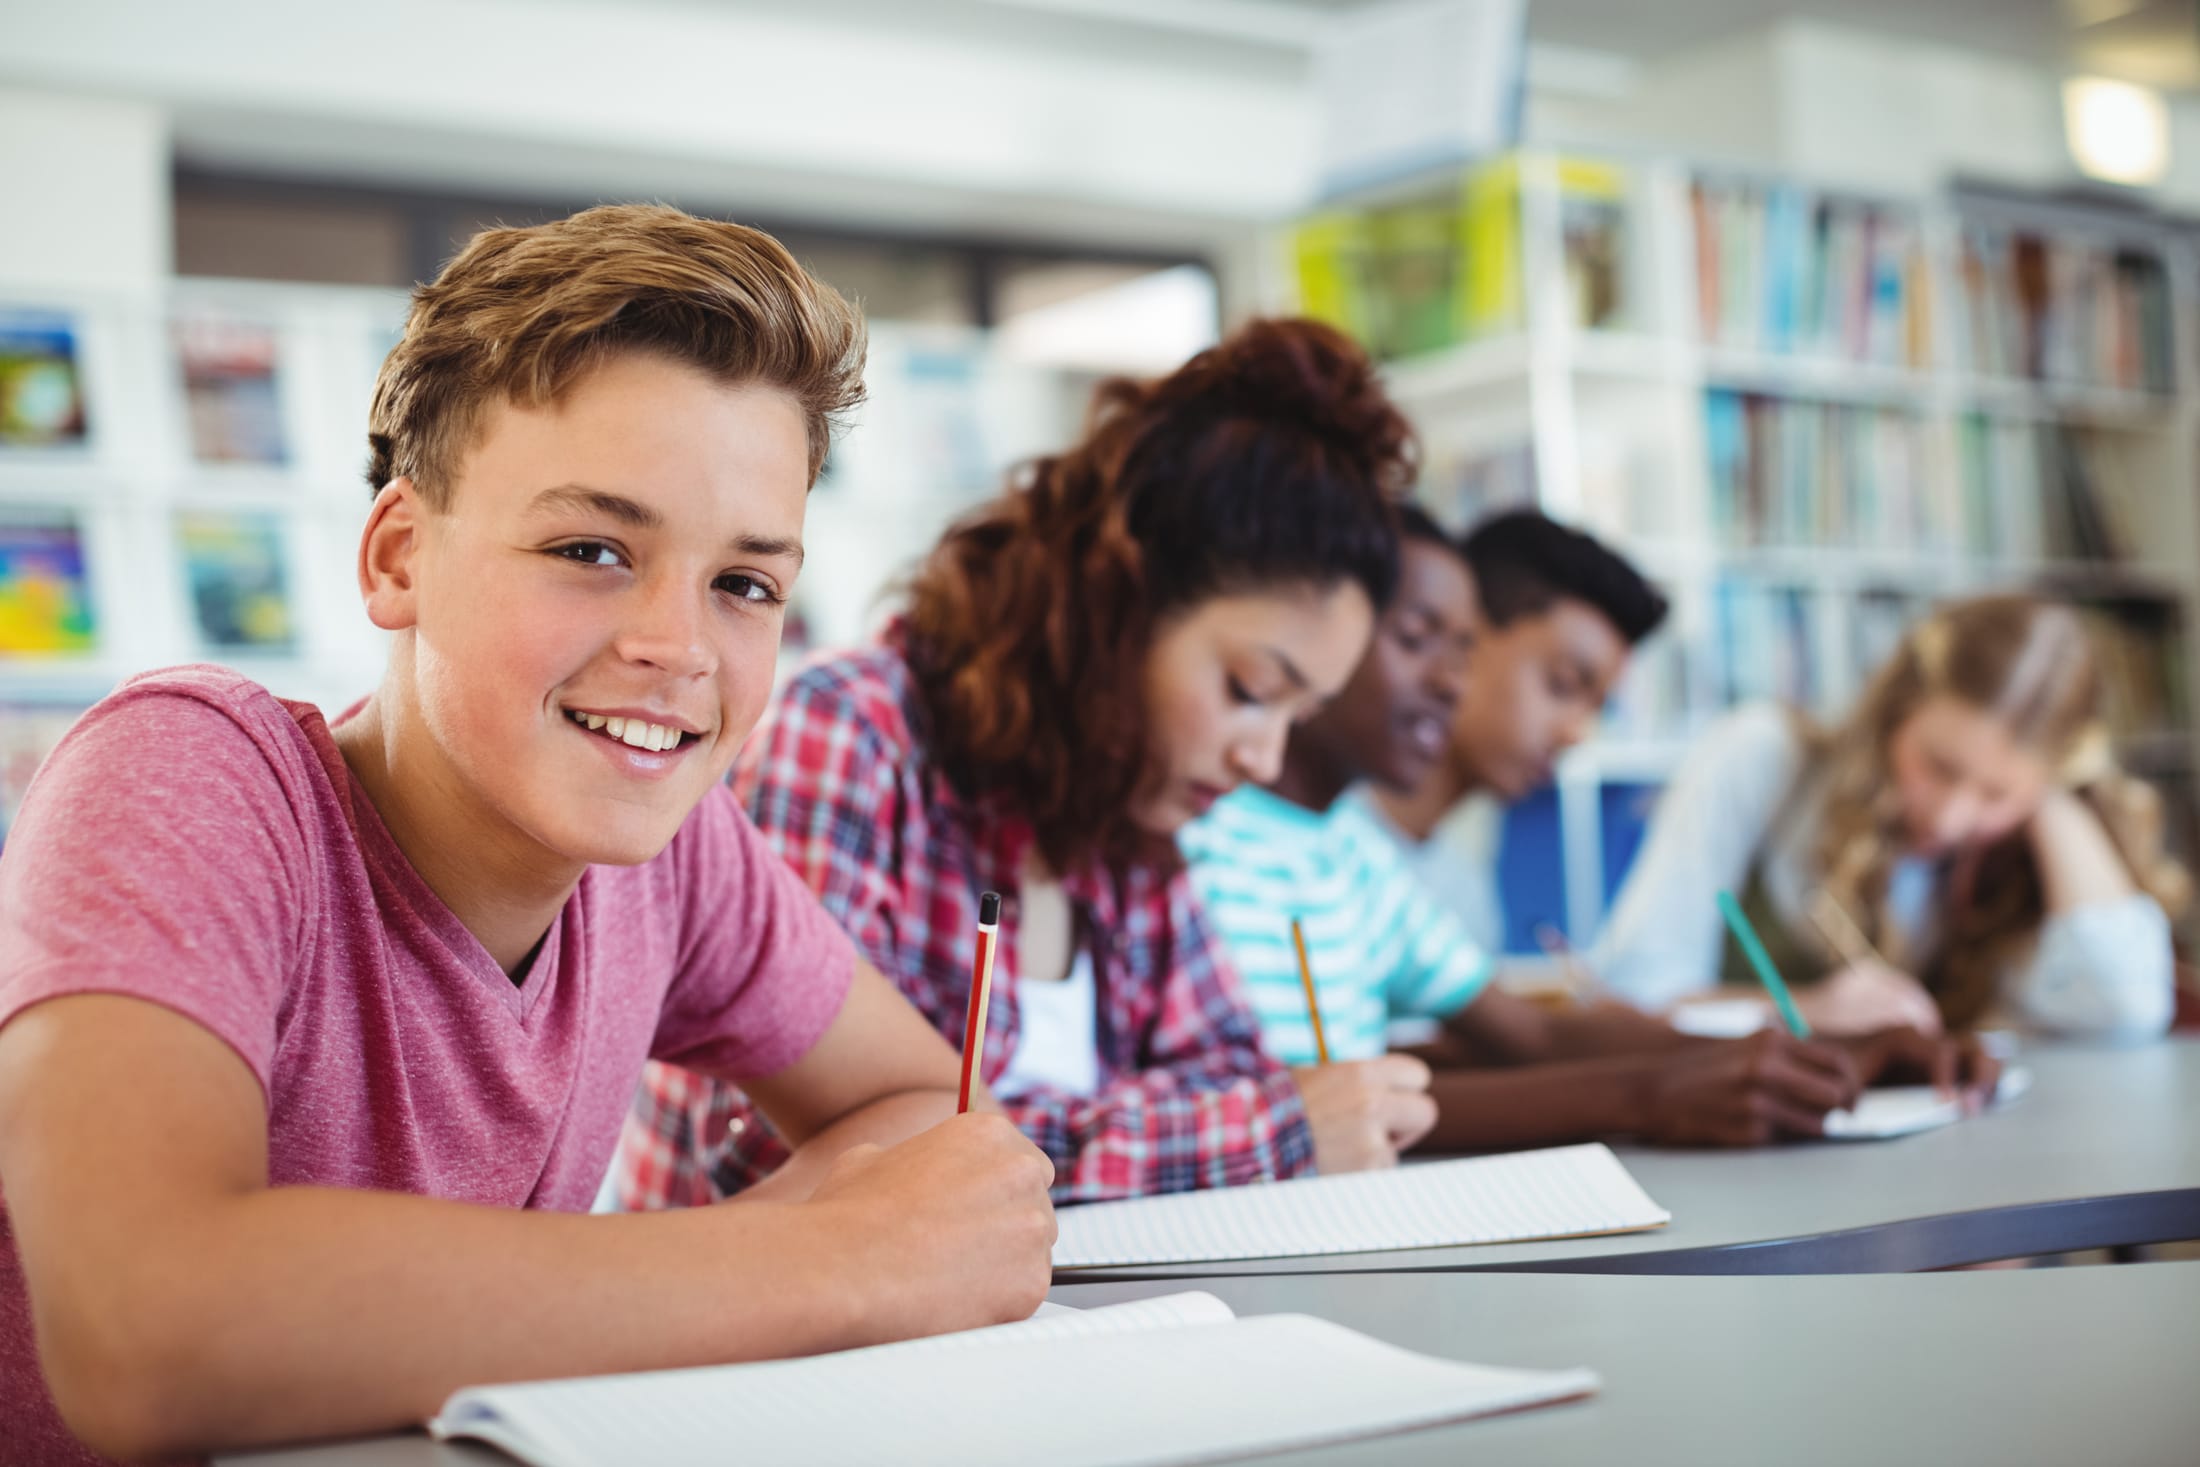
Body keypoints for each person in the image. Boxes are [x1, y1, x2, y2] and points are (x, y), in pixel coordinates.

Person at [0, 205, 1058, 1464]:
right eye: (592, 548)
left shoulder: (674, 857)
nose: (678, 647)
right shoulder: (190, 775)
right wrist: (834, 1258)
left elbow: (919, 1104)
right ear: (399, 557)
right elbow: (144, 1333)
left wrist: (846, 1247)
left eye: (745, 584)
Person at [617, 317, 1441, 1208]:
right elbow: (774, 1148)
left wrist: (1224, 1121)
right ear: (1119, 600)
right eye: (1250, 688)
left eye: (1297, 715)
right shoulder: (853, 730)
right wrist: (1257, 1135)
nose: (1264, 756)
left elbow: (1230, 1074)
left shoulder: (1127, 815)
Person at [1183, 512, 1999, 1154]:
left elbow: (1533, 1033)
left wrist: (1832, 1056)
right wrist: (1649, 1094)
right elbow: (1302, 1106)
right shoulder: (1198, 840)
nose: (1450, 681)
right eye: (1415, 638)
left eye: (1461, 650)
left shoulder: (1350, 856)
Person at [1592, 593, 2188, 1038]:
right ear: (1897, 710)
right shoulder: (1764, 760)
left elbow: (2129, 1009)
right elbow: (1627, 1002)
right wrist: (1806, 1010)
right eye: (1939, 767)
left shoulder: (2010, 860)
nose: (1952, 818)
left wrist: (2053, 799)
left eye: (1996, 794)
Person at [1362, 508, 1669, 955]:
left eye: (1596, 708)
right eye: (1562, 684)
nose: (1575, 733)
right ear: (1465, 634)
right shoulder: (1317, 844)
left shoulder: (1466, 898)